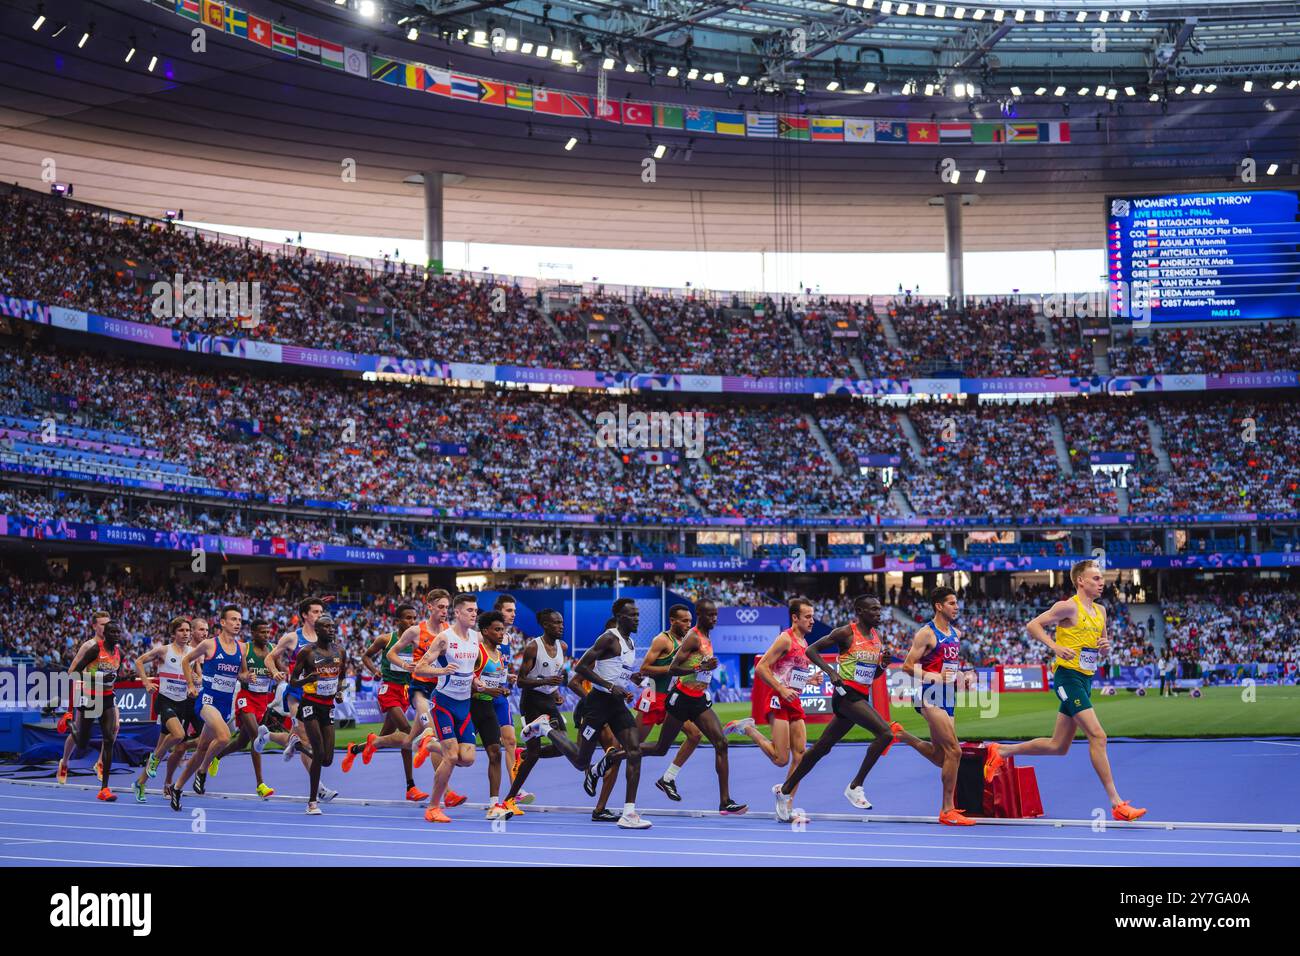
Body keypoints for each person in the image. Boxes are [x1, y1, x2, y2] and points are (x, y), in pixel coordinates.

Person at [985, 560, 1147, 821]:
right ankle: (1117, 804)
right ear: (1080, 581)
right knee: (1098, 735)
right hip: (1066, 678)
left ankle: (1000, 751)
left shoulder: (1101, 611)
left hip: (1085, 679)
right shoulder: (1067, 606)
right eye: (1095, 578)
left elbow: (1100, 644)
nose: (1101, 582)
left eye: (1101, 578)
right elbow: (1033, 625)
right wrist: (1055, 647)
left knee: (1059, 746)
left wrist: (1104, 646)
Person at [769, 596, 902, 823]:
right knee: (886, 733)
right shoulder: (846, 632)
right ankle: (855, 786)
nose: (879, 614)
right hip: (845, 696)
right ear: (860, 611)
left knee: (821, 748)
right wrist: (831, 672)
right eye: (874, 610)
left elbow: (873, 676)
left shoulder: (876, 638)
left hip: (860, 695)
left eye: (880, 610)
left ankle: (785, 790)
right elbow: (812, 650)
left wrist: (882, 665)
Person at [640, 599, 747, 814]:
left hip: (698, 698)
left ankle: (725, 801)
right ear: (700, 615)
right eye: (709, 615)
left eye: (716, 615)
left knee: (721, 742)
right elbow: (673, 668)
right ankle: (616, 756)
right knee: (660, 748)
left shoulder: (706, 637)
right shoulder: (693, 637)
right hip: (681, 698)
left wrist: (704, 670)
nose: (714, 619)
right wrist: (702, 666)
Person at [568, 598, 652, 829]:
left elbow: (619, 672)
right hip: (596, 703)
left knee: (634, 751)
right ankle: (546, 729)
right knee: (580, 760)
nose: (637, 619)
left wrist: (630, 679)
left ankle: (629, 813)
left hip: (616, 705)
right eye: (632, 615)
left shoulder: (630, 643)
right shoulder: (608, 638)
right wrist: (609, 686)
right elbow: (580, 668)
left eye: (637, 615)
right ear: (620, 617)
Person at [898, 586, 978, 826]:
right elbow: (907, 666)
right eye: (952, 603)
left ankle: (901, 735)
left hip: (948, 696)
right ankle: (947, 810)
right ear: (939, 606)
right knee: (955, 751)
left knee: (941, 757)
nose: (956, 607)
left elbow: (950, 667)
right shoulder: (926, 633)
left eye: (956, 603)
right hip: (930, 694)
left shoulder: (956, 633)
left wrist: (963, 677)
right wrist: (935, 678)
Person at [725, 597, 815, 802]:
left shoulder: (804, 642)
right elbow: (761, 668)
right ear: (795, 617)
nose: (812, 621)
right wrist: (781, 689)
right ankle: (748, 728)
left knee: (800, 756)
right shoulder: (785, 638)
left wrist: (809, 680)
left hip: (793, 700)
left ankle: (786, 803)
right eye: (807, 617)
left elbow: (791, 675)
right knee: (781, 759)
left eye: (813, 617)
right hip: (778, 698)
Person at [170, 605, 250, 812]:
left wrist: (246, 677)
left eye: (239, 619)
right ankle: (203, 771)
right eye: (233, 619)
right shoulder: (209, 645)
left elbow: (241, 674)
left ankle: (177, 788)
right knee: (224, 737)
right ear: (222, 622)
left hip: (225, 704)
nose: (237, 623)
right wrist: (189, 685)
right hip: (207, 699)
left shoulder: (242, 647)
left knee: (201, 750)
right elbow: (186, 660)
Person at [344, 602, 426, 800]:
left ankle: (355, 749)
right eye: (408, 617)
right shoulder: (386, 639)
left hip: (406, 692)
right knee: (408, 733)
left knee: (383, 738)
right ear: (397, 621)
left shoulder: (418, 642)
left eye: (414, 618)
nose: (412, 621)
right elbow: (366, 657)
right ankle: (411, 787)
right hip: (389, 690)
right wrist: (375, 671)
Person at [414, 593, 482, 822]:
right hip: (443, 703)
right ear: (458, 612)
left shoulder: (475, 638)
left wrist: (475, 681)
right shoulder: (444, 638)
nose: (474, 614)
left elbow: (468, 668)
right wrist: (441, 671)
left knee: (468, 759)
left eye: (475, 610)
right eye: (469, 610)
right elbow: (420, 669)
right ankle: (433, 807)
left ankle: (428, 744)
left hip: (465, 704)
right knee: (451, 756)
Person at [207, 618, 282, 799]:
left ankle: (216, 757)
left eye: (268, 632)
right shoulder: (245, 649)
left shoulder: (272, 650)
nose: (266, 635)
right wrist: (245, 677)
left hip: (262, 702)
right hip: (245, 698)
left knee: (242, 743)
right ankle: (260, 785)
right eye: (262, 632)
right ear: (254, 633)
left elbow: (278, 670)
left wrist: (279, 674)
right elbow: (238, 674)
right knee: (257, 737)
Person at [635, 604, 702, 802]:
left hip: (673, 698)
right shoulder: (662, 640)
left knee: (695, 735)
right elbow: (645, 668)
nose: (688, 624)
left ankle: (668, 778)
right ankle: (606, 763)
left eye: (690, 621)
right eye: (684, 620)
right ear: (672, 621)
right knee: (633, 744)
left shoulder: (688, 642)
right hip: (655, 695)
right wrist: (673, 670)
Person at [57, 620, 127, 801]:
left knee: (110, 737)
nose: (116, 636)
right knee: (81, 741)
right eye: (112, 632)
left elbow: (115, 676)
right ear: (105, 634)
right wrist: (99, 677)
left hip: (108, 699)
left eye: (118, 632)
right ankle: (68, 724)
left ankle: (104, 789)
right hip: (90, 697)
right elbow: (75, 673)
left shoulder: (121, 653)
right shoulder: (95, 649)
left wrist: (117, 678)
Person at [131, 616, 195, 802]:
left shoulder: (192, 653)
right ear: (173, 633)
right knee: (178, 735)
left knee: (161, 747)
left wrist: (195, 682)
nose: (185, 634)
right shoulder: (164, 650)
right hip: (165, 700)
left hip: (182, 702)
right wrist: (146, 683)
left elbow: (196, 673)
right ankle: (154, 759)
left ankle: (140, 783)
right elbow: (139, 661)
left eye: (187, 631)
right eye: (181, 630)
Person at [290, 614, 345, 814]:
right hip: (310, 704)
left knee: (327, 759)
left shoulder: (340, 651)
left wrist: (338, 691)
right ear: (317, 630)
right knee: (319, 752)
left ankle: (297, 744)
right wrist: (307, 680)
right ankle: (312, 802)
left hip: (327, 706)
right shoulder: (307, 652)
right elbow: (292, 682)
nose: (331, 629)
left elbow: (341, 677)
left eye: (333, 626)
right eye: (326, 627)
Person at [472, 611, 518, 820]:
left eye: (503, 629)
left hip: (487, 708)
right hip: (468, 707)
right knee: (457, 756)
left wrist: (502, 689)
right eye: (497, 629)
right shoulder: (477, 653)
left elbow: (495, 683)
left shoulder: (499, 656)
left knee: (495, 753)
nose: (501, 633)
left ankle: (494, 804)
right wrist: (485, 690)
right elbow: (463, 684)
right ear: (485, 631)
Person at [56, 610, 110, 736]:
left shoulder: (111, 646)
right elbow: (71, 671)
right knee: (80, 730)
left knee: (114, 727)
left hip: (106, 692)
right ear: (94, 626)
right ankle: (65, 757)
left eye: (108, 624)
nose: (106, 628)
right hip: (87, 692)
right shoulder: (88, 646)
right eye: (102, 625)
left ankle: (101, 757)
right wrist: (94, 678)